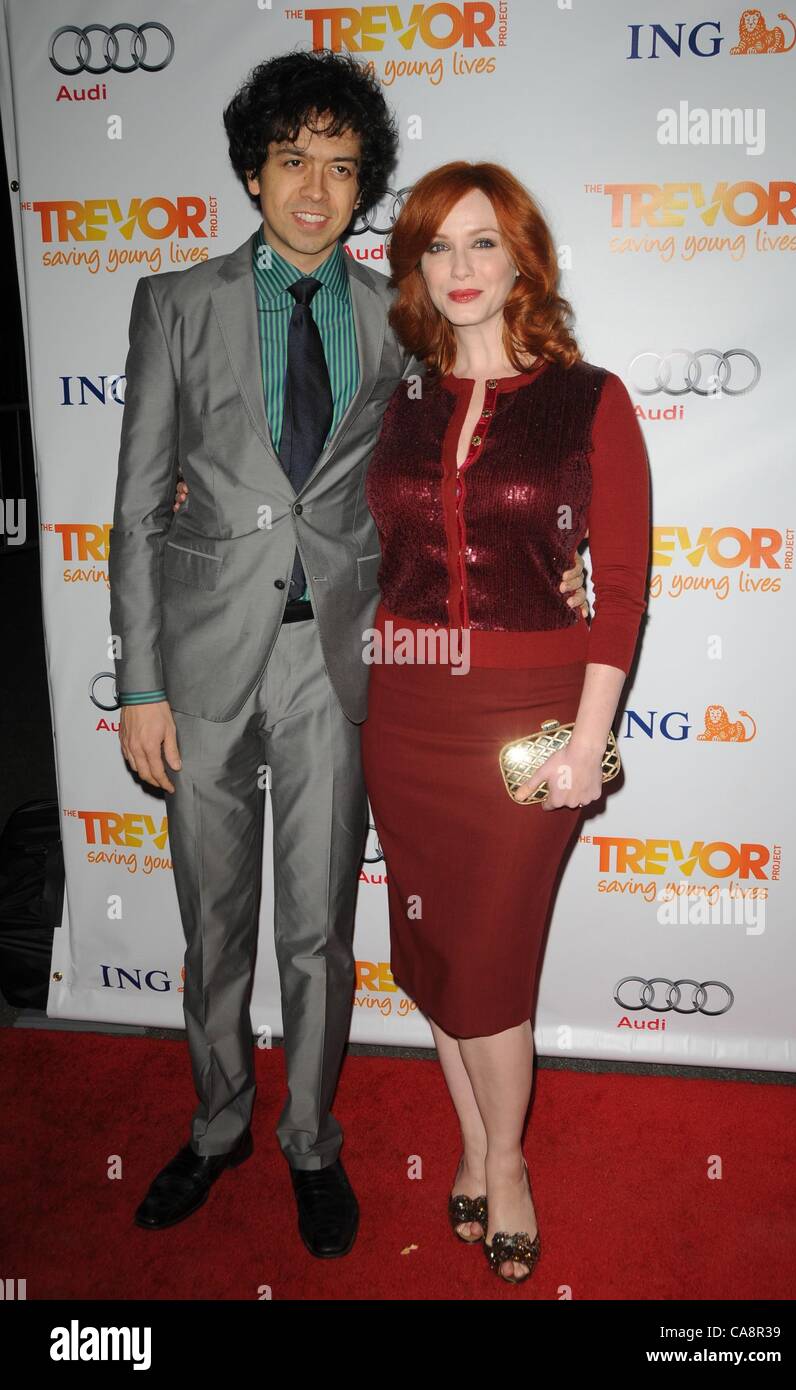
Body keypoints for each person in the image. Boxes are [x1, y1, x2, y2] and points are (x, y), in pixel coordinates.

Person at [110, 50, 590, 1260]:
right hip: (206, 662)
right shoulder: (175, 300)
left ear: (366, 181)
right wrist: (143, 683)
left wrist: (563, 555)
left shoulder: (400, 312)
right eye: (293, 160)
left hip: (339, 663)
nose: (316, 189)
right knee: (213, 922)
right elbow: (132, 511)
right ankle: (220, 1123)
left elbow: (474, 454)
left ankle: (311, 1141)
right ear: (253, 171)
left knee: (319, 928)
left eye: (341, 165)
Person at [359, 162, 651, 1283]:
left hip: (530, 717)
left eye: (484, 244)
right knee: (433, 949)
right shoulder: (394, 398)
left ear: (523, 256)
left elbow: (617, 583)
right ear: (416, 269)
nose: (463, 268)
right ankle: (477, 1147)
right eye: (439, 247)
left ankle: (511, 1164)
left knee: (489, 960)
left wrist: (588, 738)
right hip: (405, 702)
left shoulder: (590, 397)